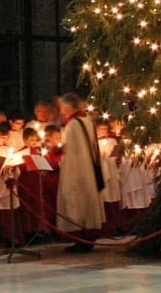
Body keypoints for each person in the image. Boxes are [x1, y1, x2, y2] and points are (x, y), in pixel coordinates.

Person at [56, 92, 106, 253]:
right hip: (89, 169)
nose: (62, 111)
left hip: (76, 171)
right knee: (87, 202)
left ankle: (82, 239)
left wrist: (56, 150)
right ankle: (87, 238)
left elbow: (69, 150)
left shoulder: (73, 125)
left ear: (69, 106)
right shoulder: (87, 121)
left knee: (76, 201)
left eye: (63, 107)